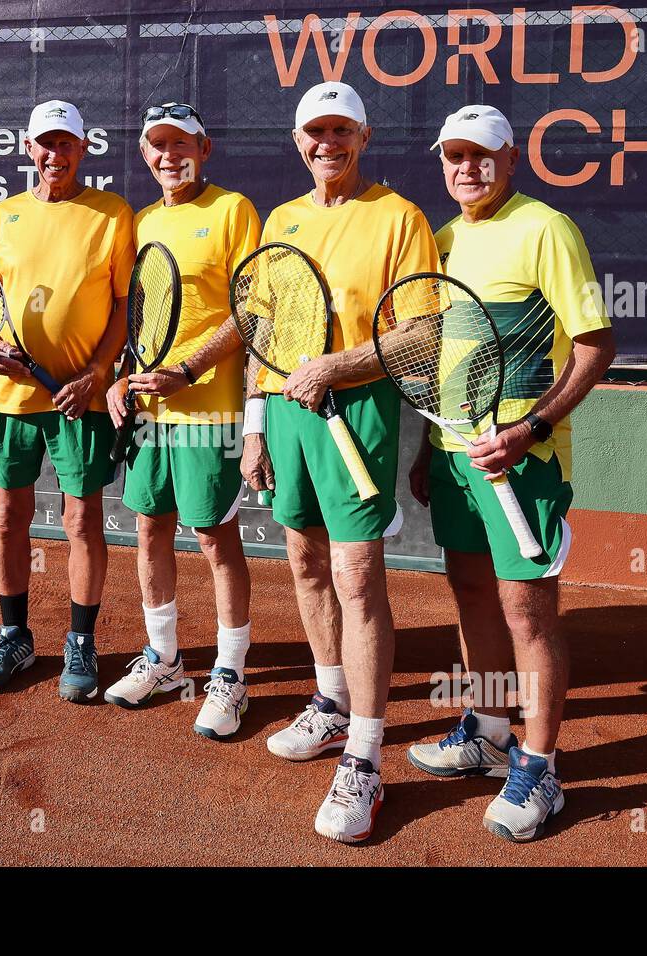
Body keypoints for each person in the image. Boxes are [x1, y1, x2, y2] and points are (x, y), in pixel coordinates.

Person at [405, 105, 616, 842]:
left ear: (511, 159)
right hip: (459, 457)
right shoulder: (443, 238)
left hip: (526, 463)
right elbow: (438, 354)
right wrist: (433, 452)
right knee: (470, 593)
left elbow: (595, 344)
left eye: (482, 155)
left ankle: (540, 765)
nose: (468, 167)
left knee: (529, 612)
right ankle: (490, 729)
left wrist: (530, 430)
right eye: (455, 155)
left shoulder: (546, 228)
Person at [241, 82, 439, 842]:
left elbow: (422, 335)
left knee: (358, 577)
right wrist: (256, 427)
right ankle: (329, 704)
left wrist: (337, 366)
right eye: (314, 132)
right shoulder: (281, 219)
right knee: (303, 561)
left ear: (364, 135)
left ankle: (364, 753)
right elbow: (264, 330)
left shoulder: (400, 219)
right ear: (299, 141)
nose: (327, 143)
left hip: (355, 409)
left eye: (341, 131)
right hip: (287, 413)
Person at [102, 103, 261, 740]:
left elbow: (252, 311)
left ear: (205, 146)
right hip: (150, 412)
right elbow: (138, 319)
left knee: (215, 538)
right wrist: (122, 376)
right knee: (149, 530)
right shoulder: (139, 224)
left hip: (210, 408)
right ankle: (164, 659)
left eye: (182, 144)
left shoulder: (234, 211)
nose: (170, 156)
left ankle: (229, 674)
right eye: (158, 146)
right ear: (146, 155)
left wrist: (188, 370)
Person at [0, 100, 135, 703]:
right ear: (28, 148)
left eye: (66, 144)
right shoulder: (3, 216)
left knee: (81, 519)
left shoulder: (113, 215)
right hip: (9, 397)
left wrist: (97, 372)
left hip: (79, 399)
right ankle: (13, 635)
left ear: (83, 149)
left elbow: (122, 306)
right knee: (9, 515)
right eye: (45, 143)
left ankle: (81, 642)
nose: (54, 155)